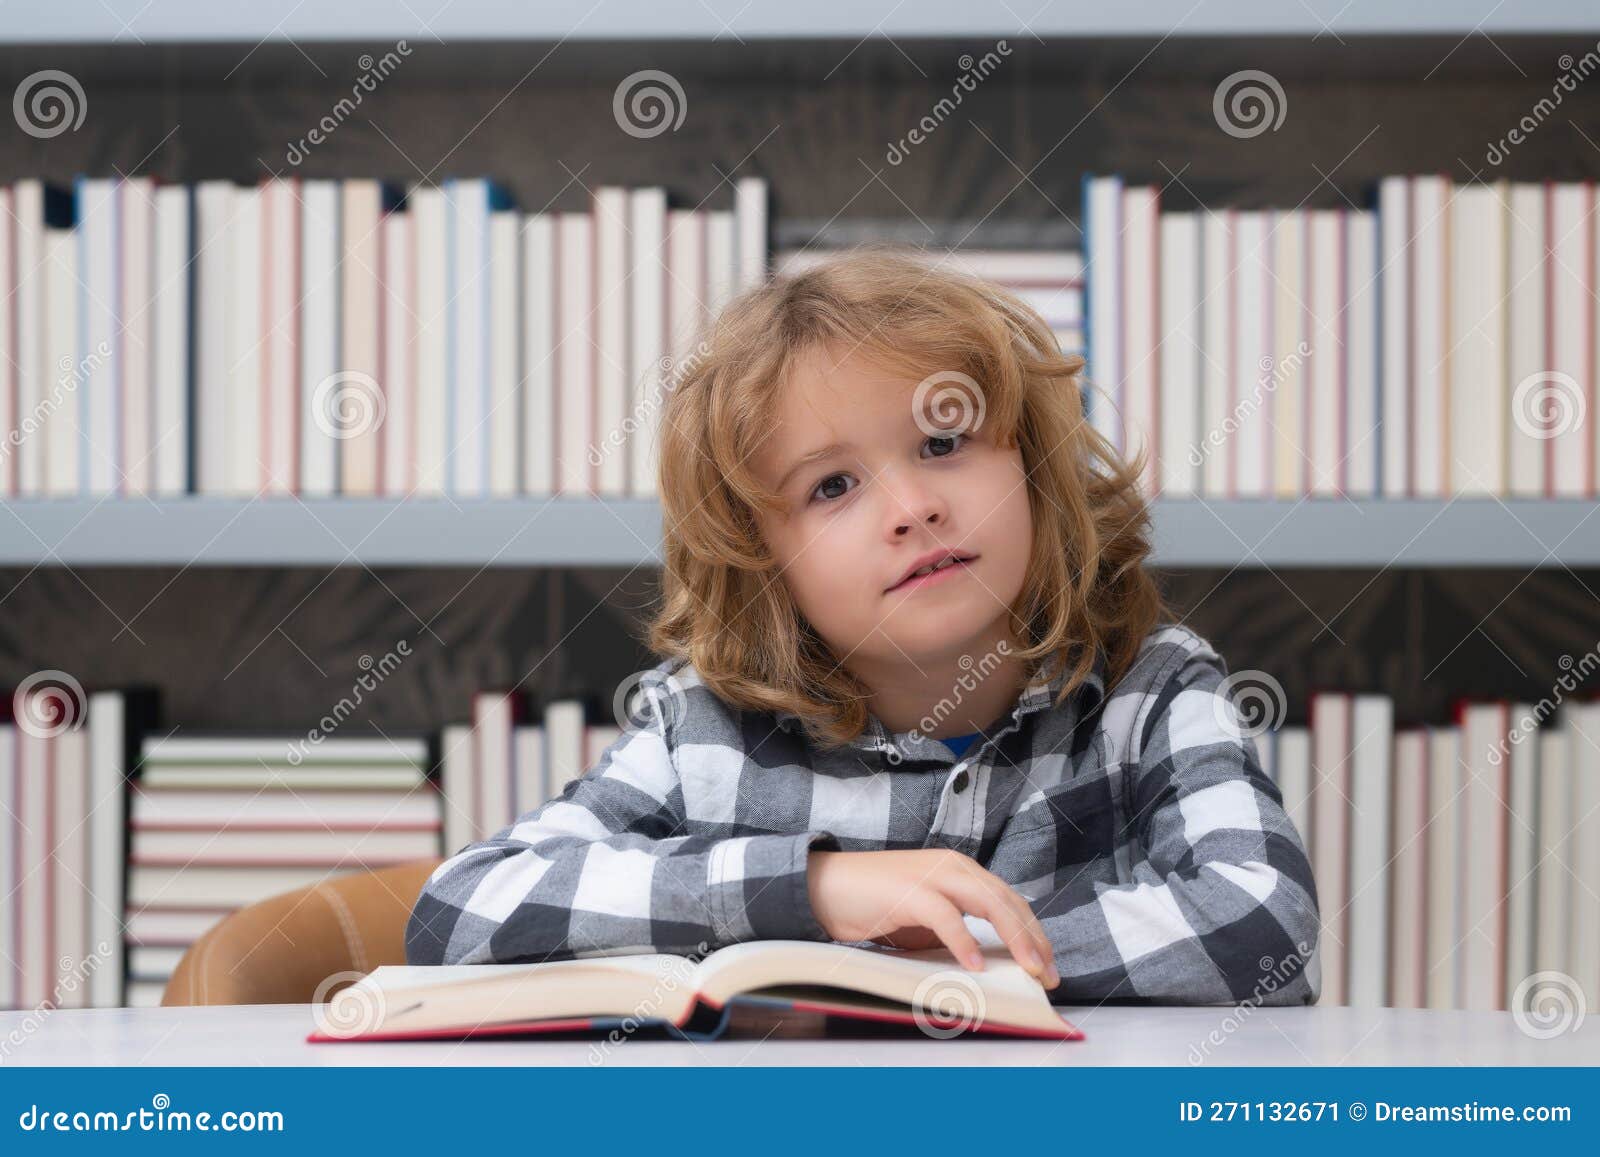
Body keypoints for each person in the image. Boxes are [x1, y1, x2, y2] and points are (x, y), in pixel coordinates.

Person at [404, 246, 1320, 1005]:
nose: (913, 508)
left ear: (1036, 469)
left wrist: (935, 964)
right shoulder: (702, 731)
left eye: (944, 441)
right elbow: (459, 910)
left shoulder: (1150, 689)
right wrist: (810, 889)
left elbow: (1266, 920)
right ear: (759, 563)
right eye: (832, 486)